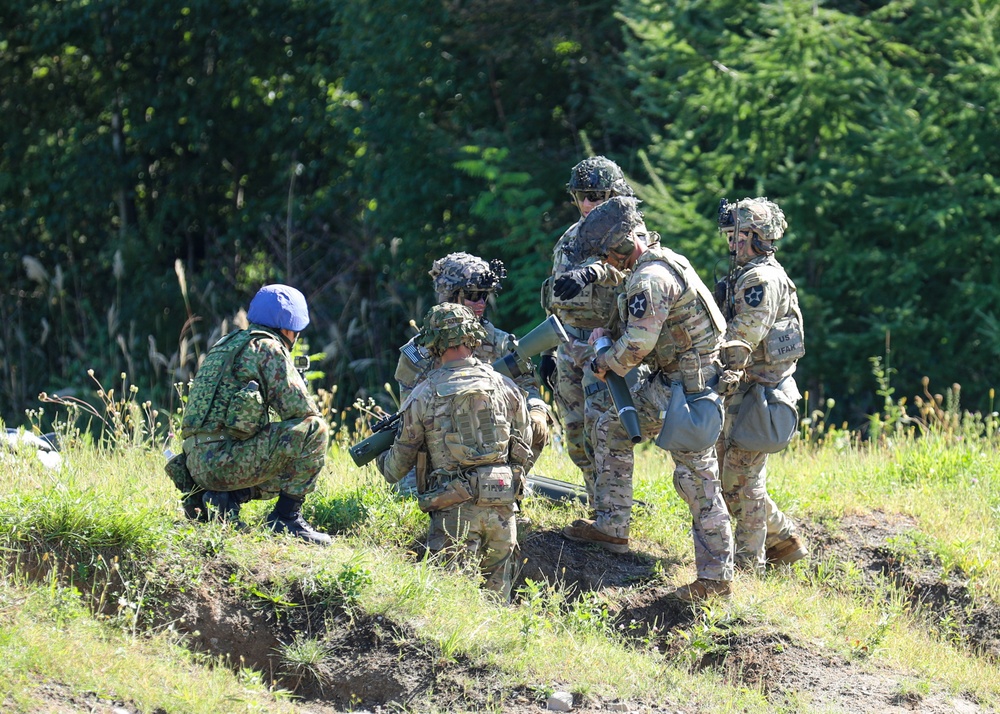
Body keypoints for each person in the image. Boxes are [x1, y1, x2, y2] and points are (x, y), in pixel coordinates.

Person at [561, 196, 735, 602]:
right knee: (613, 427)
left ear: (625, 245)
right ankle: (612, 527)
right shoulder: (659, 262)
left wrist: (605, 359)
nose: (608, 260)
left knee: (697, 479)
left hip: (689, 390)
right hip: (678, 381)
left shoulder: (649, 278)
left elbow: (638, 344)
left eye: (609, 252)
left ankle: (715, 579)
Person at [378, 303, 535, 601]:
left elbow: (395, 469)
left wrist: (378, 455)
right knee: (497, 607)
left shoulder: (423, 393)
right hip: (503, 510)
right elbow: (524, 447)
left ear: (433, 344)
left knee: (451, 606)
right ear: (473, 338)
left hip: (454, 514)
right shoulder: (505, 385)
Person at [170, 284, 331, 546]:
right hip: (225, 462)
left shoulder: (226, 344)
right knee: (315, 431)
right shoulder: (268, 348)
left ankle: (224, 500)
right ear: (290, 329)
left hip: (194, 467)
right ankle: (286, 519)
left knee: (283, 447)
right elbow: (302, 413)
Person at [715, 197, 808, 572]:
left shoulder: (760, 280)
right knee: (730, 479)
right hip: (746, 392)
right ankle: (784, 539)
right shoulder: (749, 274)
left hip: (758, 394)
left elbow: (743, 337)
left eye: (738, 236)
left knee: (741, 482)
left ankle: (749, 565)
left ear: (758, 236)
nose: (732, 244)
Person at [540, 156, 634, 505]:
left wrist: (593, 271)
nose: (589, 203)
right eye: (583, 195)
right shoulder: (569, 238)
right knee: (576, 435)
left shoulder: (627, 234)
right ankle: (599, 503)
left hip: (604, 345)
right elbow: (555, 295)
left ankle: (612, 514)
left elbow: (628, 273)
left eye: (597, 195)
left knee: (605, 433)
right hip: (568, 344)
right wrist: (552, 349)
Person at [395, 252, 550, 459]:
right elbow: (411, 415)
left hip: (494, 443)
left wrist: (537, 411)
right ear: (450, 296)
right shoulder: (418, 353)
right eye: (473, 295)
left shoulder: (501, 343)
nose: (481, 303)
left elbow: (528, 387)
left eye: (485, 295)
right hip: (439, 449)